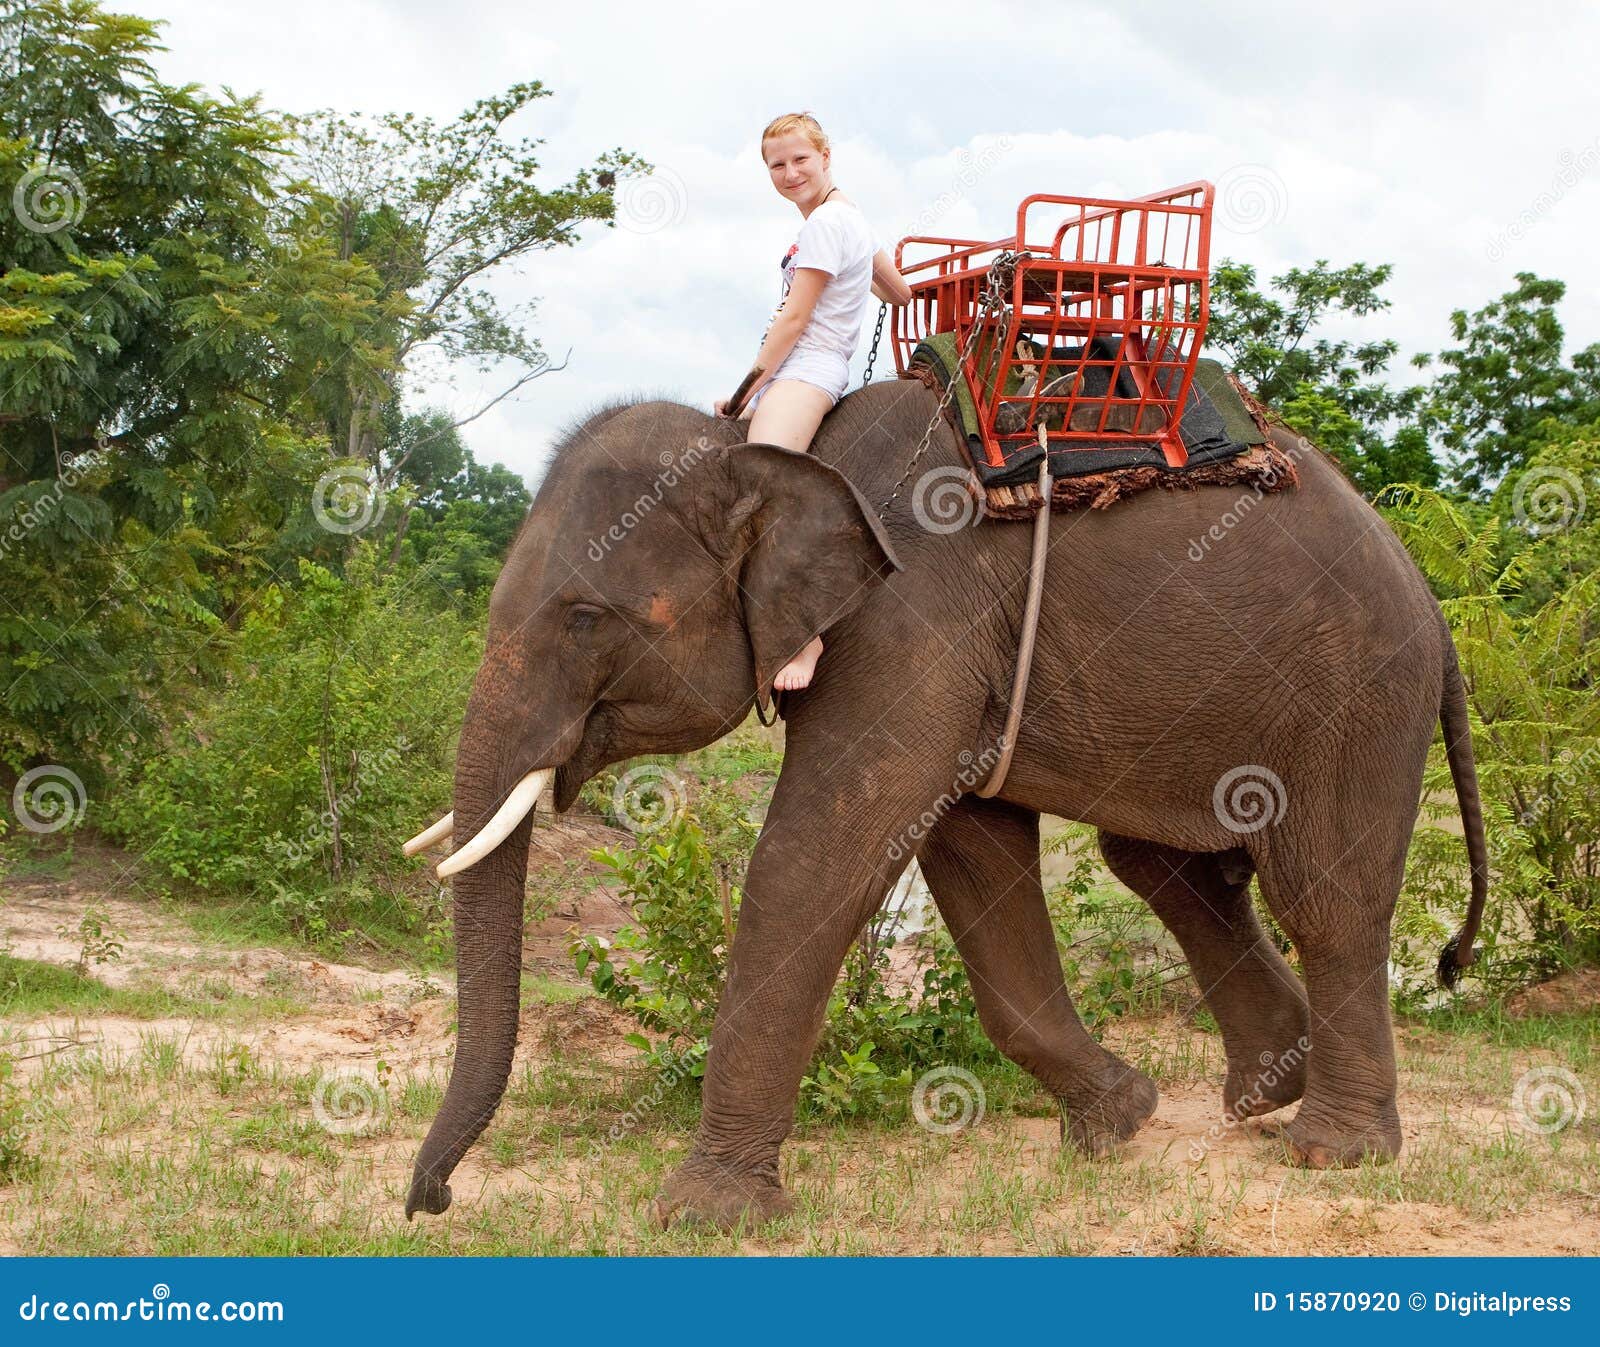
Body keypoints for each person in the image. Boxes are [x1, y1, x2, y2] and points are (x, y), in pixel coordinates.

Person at [715, 111, 913, 692]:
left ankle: (805, 633)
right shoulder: (846, 217)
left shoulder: (828, 224)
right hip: (800, 365)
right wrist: (862, 271)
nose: (790, 172)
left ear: (825, 156)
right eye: (777, 164)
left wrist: (745, 390)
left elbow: (796, 317)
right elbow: (899, 291)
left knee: (763, 484)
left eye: (801, 159)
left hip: (808, 367)